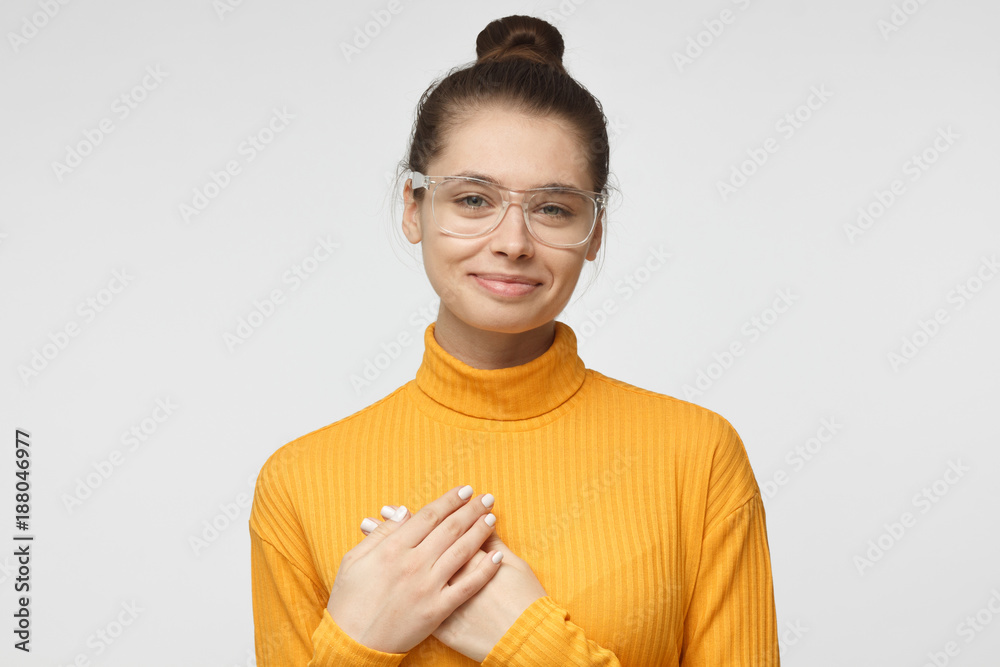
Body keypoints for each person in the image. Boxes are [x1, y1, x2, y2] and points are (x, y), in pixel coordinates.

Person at [250, 14, 779, 666]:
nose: (512, 241)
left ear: (596, 231)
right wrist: (357, 646)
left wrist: (530, 643)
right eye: (473, 199)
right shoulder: (299, 482)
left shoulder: (696, 461)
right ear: (415, 208)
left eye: (553, 207)